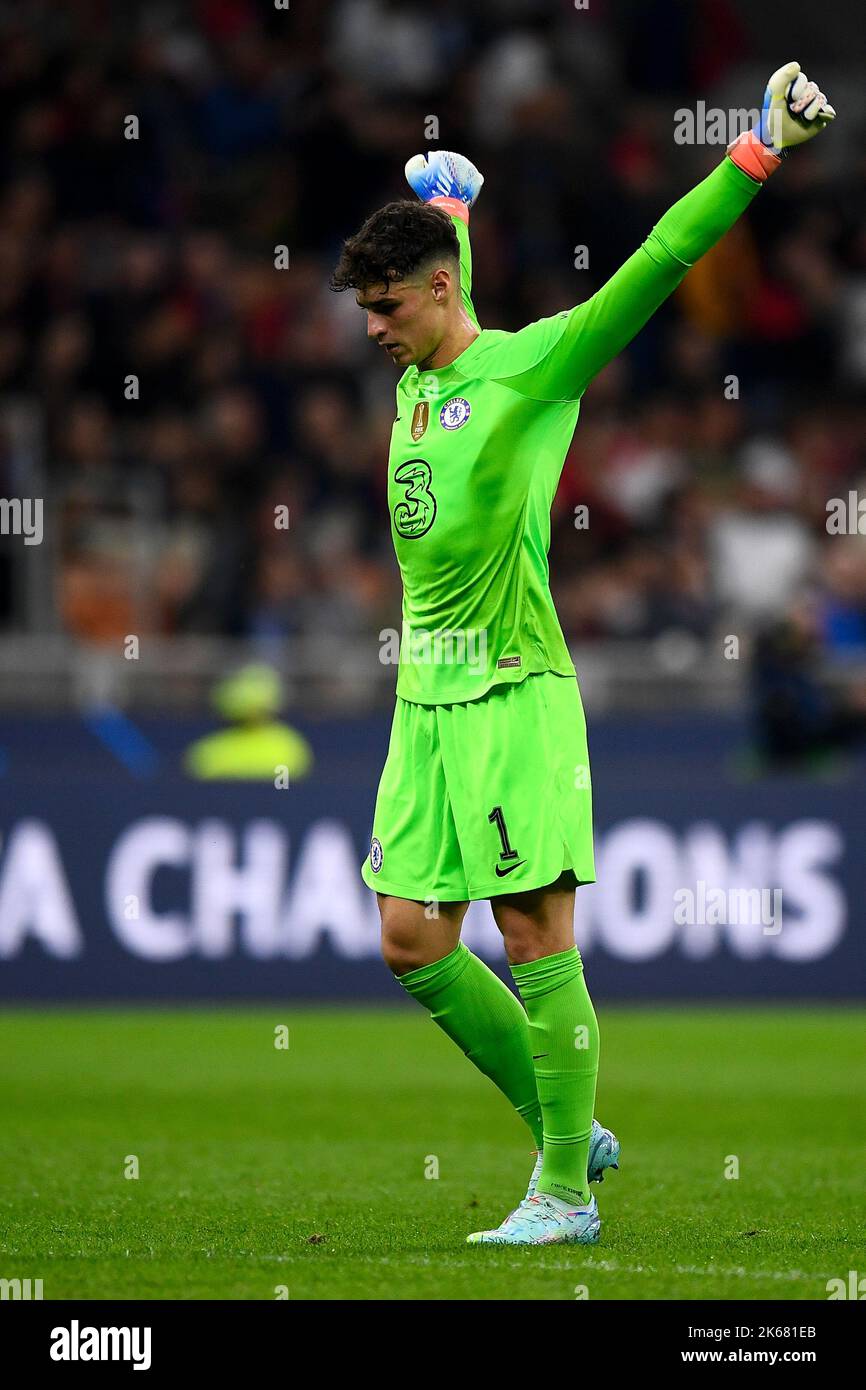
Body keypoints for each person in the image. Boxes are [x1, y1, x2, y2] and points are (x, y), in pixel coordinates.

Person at [330, 64, 834, 1246]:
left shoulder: (533, 366)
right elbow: (444, 322)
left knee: (531, 929)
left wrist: (757, 148)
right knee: (408, 938)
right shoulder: (419, 368)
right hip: (425, 699)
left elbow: (653, 266)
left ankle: (562, 1191)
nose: (370, 330)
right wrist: (447, 202)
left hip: (514, 686)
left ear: (438, 290)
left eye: (385, 307)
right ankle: (566, 1121)